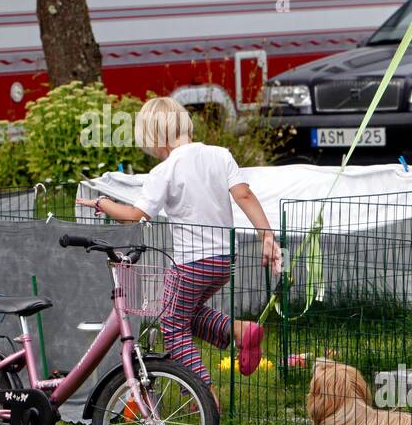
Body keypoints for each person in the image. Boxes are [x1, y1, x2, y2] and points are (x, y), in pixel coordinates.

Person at [76, 96, 282, 387]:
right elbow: (244, 196)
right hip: (224, 262)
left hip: (191, 263)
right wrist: (267, 236)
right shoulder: (221, 154)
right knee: (187, 313)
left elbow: (135, 216)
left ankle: (201, 394)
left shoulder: (166, 169)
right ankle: (240, 331)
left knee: (171, 324)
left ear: (154, 136)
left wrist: (103, 203)